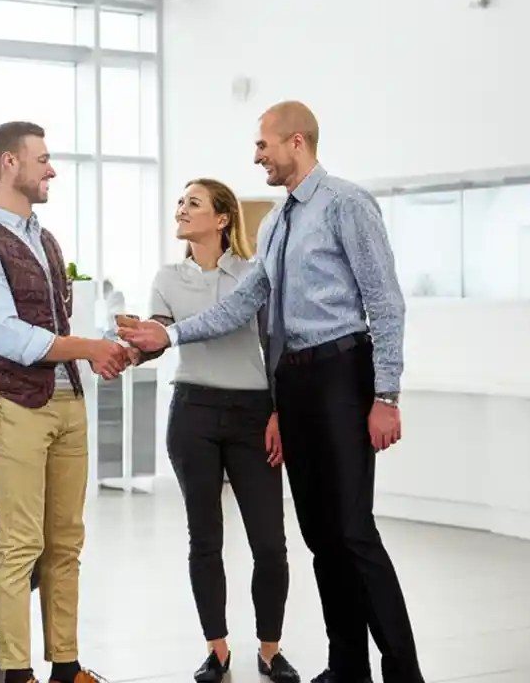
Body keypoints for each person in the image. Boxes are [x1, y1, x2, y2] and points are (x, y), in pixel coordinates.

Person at [120, 101, 424, 683]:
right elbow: (243, 304)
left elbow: (385, 301)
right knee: (319, 538)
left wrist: (386, 395)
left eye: (264, 145)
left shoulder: (346, 204)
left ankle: (404, 673)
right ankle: (347, 668)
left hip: (342, 373)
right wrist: (169, 332)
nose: (257, 155)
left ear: (297, 142)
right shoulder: (279, 222)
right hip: (296, 383)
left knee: (354, 531)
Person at [0, 120, 127, 683]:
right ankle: (16, 671)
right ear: (10, 164)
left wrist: (100, 346)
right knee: (20, 542)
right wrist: (90, 347)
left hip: (67, 398)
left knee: (66, 541)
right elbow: (8, 337)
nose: (51, 170)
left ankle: (66, 664)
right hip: (15, 403)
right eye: (43, 159)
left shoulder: (45, 239)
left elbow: (53, 322)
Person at [136, 178, 301, 683]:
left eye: (193, 203)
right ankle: (218, 650)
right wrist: (132, 341)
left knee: (269, 543)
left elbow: (278, 348)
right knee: (204, 539)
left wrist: (280, 413)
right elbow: (157, 340)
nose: (181, 210)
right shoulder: (167, 277)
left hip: (254, 414)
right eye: (180, 203)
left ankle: (270, 650)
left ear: (223, 218)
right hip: (193, 412)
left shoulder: (255, 275)